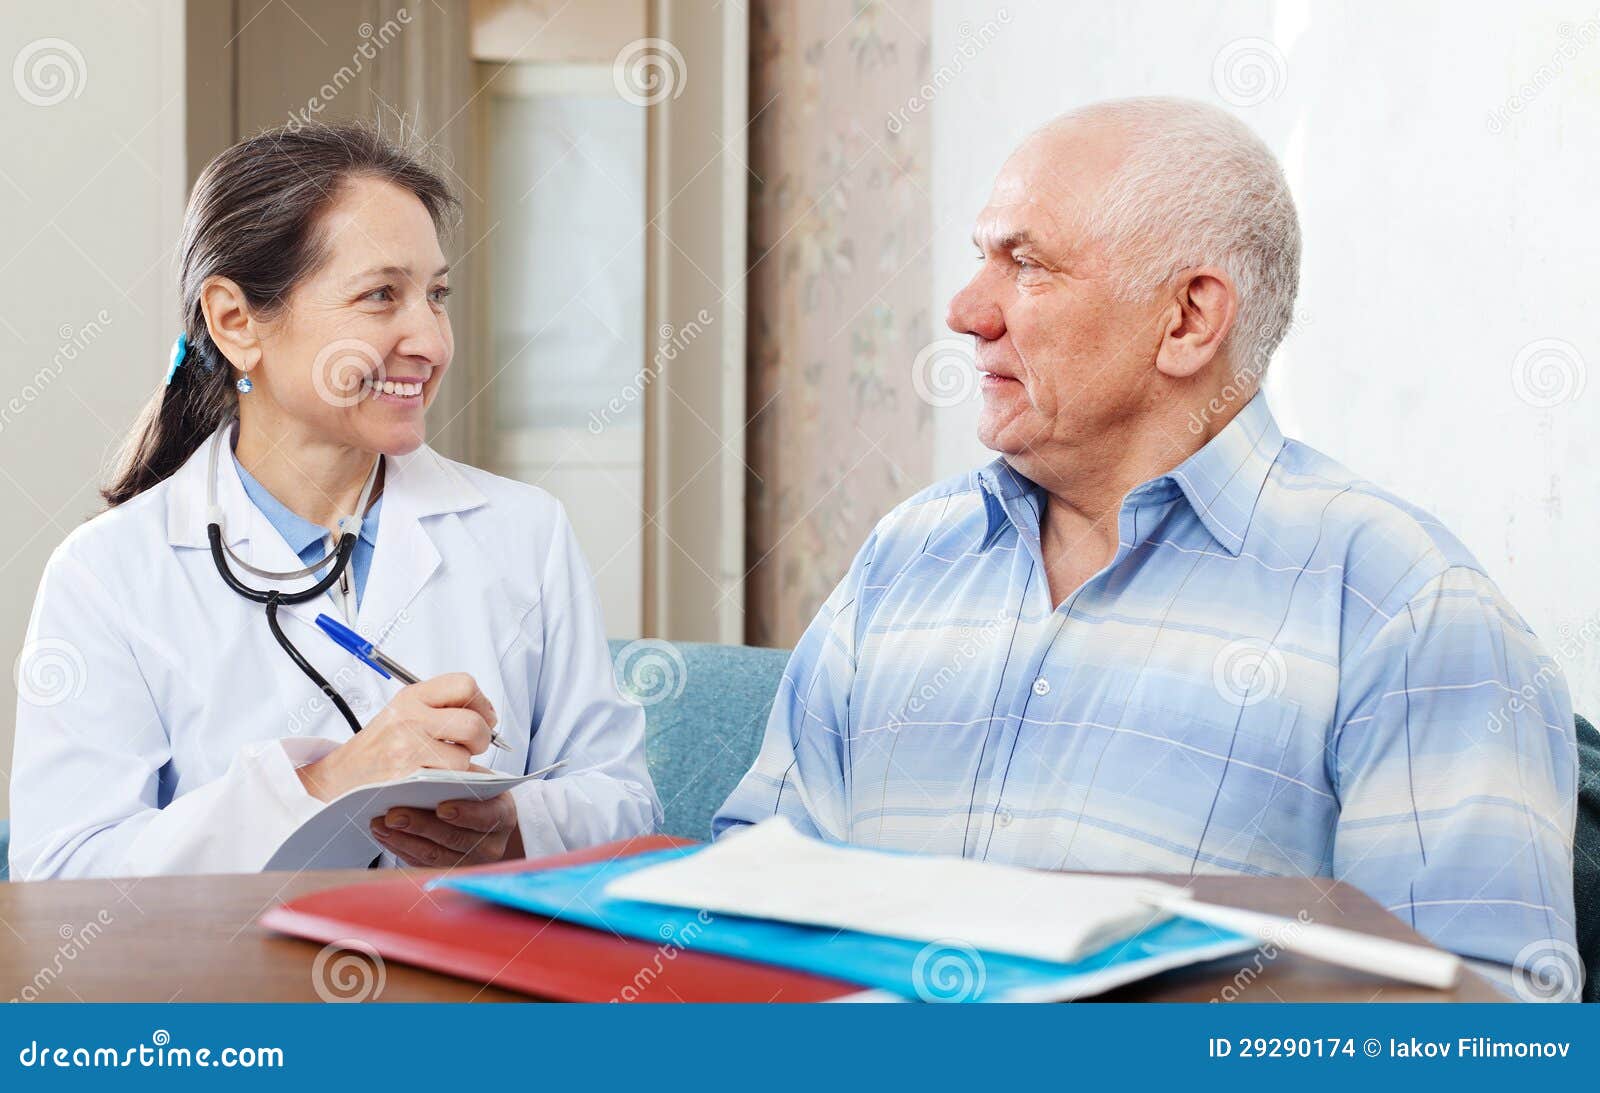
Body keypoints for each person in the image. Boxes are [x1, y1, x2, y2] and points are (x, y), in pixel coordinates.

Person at [715, 98, 1577, 995]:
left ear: (1189, 319)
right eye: (982, 259)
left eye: (1029, 265)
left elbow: (1495, 1032)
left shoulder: (1405, 607)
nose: (968, 310)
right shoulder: (907, 557)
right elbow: (742, 900)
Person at [9, 123, 659, 879]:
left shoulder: (524, 532)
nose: (432, 341)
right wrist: (324, 784)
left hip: (470, 987)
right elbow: (60, 880)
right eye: (381, 295)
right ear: (235, 322)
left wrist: (514, 825)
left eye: (436, 295)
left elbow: (627, 803)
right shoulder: (107, 574)